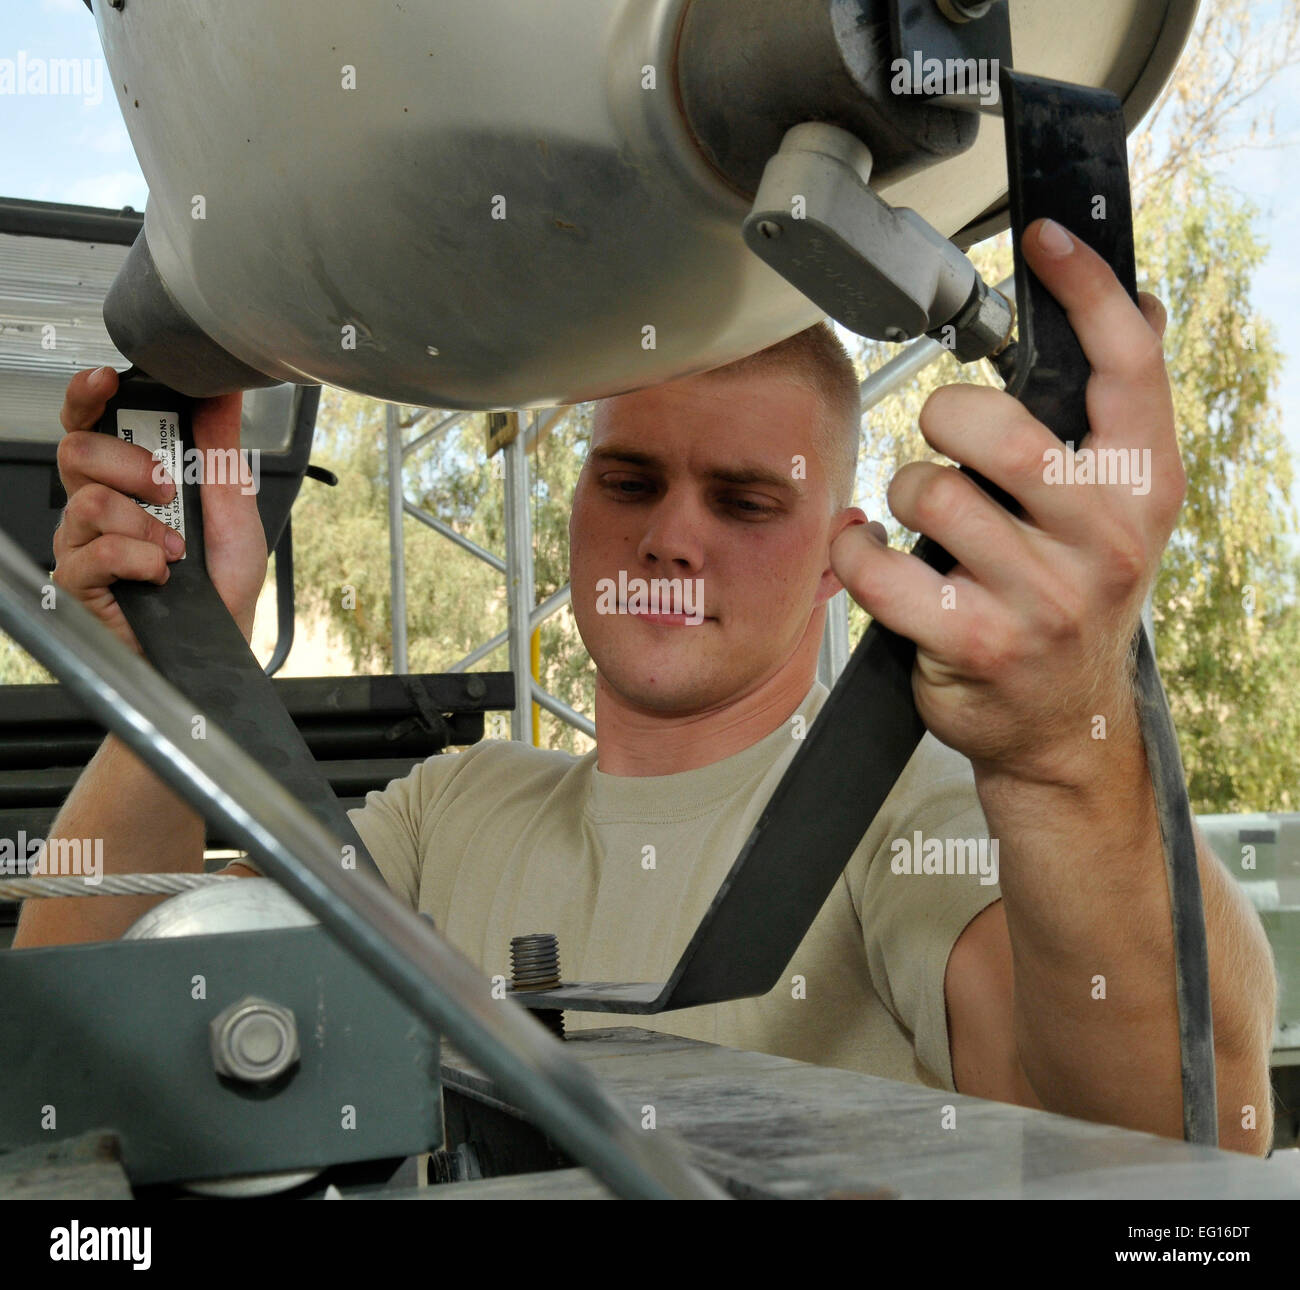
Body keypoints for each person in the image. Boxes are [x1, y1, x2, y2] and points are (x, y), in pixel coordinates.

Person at [14, 219, 1276, 1155]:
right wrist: (174, 660)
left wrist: (1063, 748)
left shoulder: (920, 821)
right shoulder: (454, 809)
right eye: (628, 483)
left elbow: (1170, 1136)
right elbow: (89, 1029)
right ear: (574, 510)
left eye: (744, 500)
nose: (674, 537)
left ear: (842, 554)